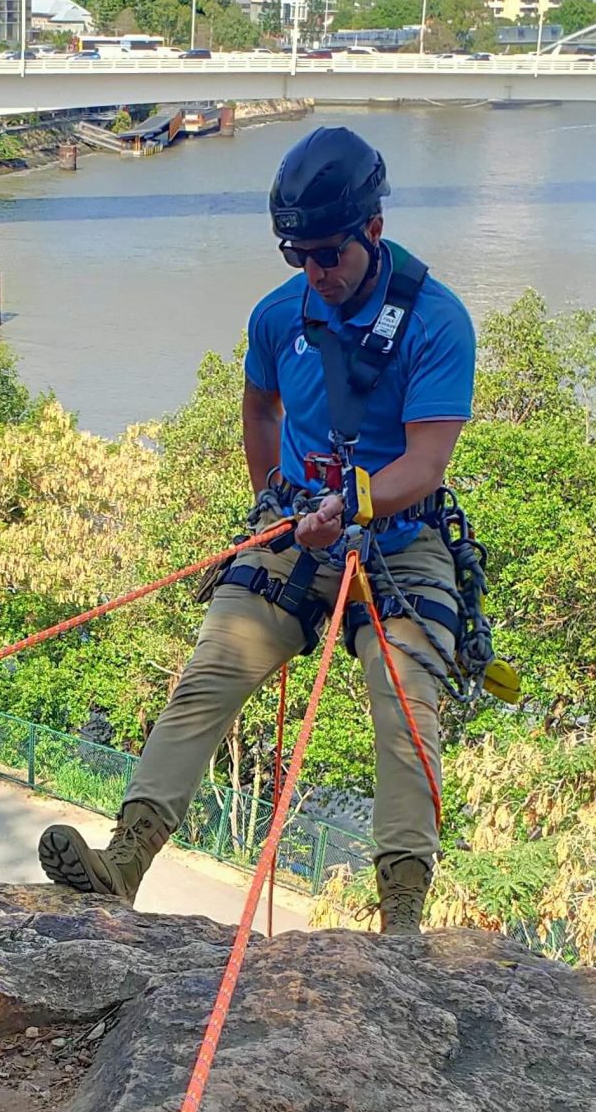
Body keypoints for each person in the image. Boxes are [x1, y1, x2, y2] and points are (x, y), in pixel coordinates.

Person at [37, 125, 477, 935]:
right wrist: (273, 500)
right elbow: (260, 407)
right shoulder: (281, 317)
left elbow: (425, 463)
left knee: (406, 701)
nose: (315, 271)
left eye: (328, 254)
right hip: (298, 527)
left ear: (373, 232)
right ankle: (125, 859)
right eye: (297, 255)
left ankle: (403, 916)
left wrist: (350, 507)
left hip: (401, 534)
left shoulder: (435, 322)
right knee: (210, 672)